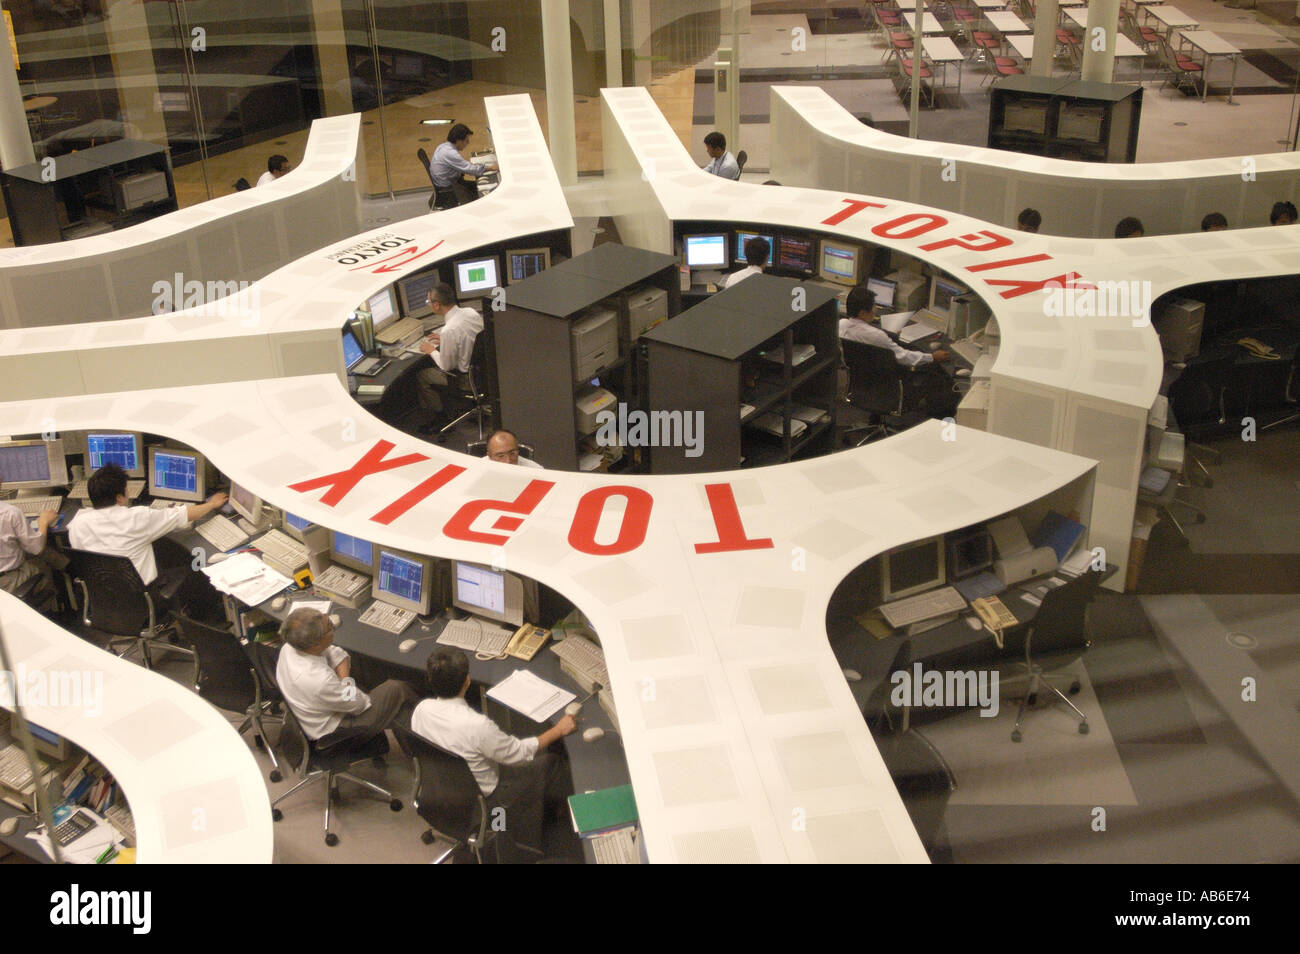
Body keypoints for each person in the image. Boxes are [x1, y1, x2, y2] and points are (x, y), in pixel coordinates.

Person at [410, 649, 577, 857]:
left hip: (437, 795)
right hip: (485, 805)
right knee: (551, 762)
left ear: (430, 680)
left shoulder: (421, 710)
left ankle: (500, 833)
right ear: (467, 681)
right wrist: (558, 730)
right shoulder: (477, 725)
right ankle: (502, 834)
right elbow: (519, 754)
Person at [67, 462, 229, 622]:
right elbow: (184, 515)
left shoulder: (77, 524)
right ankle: (203, 618)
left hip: (103, 602)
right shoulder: (136, 518)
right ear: (119, 498)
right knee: (192, 568)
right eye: (126, 490)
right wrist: (212, 503)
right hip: (145, 604)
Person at [275, 609, 418, 745]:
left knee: (370, 678)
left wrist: (344, 680)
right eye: (330, 627)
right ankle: (424, 725)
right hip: (336, 730)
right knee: (396, 688)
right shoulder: (318, 680)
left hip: (322, 707)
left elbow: (334, 652)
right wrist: (346, 681)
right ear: (315, 643)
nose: (333, 628)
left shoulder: (291, 646)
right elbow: (359, 704)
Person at [416, 283, 484, 434]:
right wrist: (445, 340)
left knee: (423, 376)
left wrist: (432, 350)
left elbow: (446, 366)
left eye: (429, 302)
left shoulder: (449, 329)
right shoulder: (470, 312)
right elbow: (469, 339)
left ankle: (439, 420)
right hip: (484, 372)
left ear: (436, 305)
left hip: (465, 379)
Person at [839, 285, 949, 367]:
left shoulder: (841, 324)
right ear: (862, 313)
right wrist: (932, 357)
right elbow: (903, 357)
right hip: (880, 380)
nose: (876, 309)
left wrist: (890, 337)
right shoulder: (877, 336)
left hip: (856, 375)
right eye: (873, 306)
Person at [0, 476, 59, 606]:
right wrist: (43, 522)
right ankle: (52, 613)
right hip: (7, 584)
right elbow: (36, 548)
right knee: (42, 563)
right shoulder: (10, 513)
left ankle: (67, 565)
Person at [428, 123, 497, 207]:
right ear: (458, 140)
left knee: (476, 186)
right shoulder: (450, 153)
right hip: (449, 189)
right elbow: (471, 170)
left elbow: (459, 165)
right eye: (466, 141)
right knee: (482, 193)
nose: (468, 143)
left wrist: (469, 166)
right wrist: (492, 168)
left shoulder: (443, 146)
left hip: (446, 182)